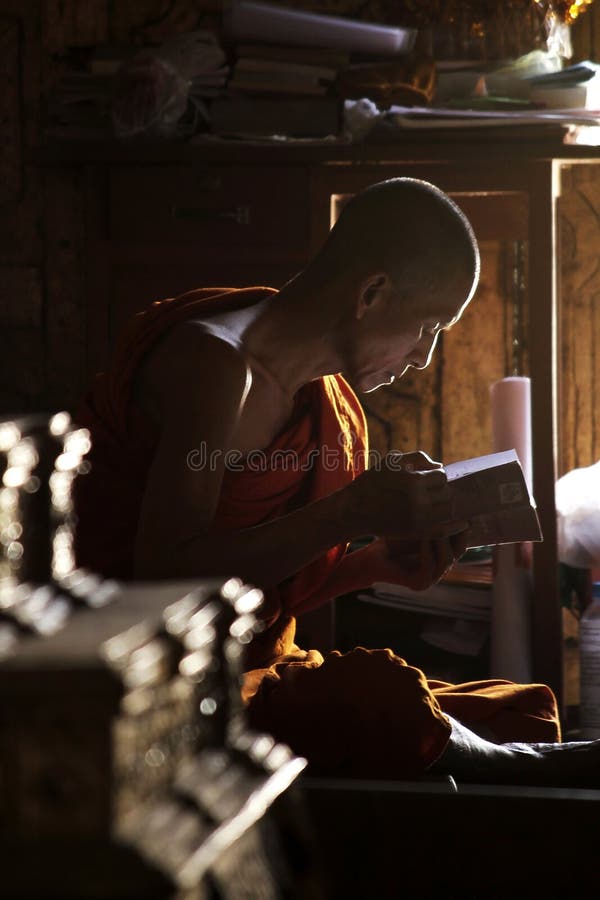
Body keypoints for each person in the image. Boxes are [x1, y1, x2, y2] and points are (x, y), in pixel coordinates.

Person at [73, 177, 600, 787]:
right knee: (389, 701)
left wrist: (373, 566)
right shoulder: (214, 367)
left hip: (251, 662)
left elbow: (262, 596)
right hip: (149, 669)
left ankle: (510, 754)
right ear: (372, 292)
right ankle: (521, 767)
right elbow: (165, 579)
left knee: (512, 707)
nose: (425, 358)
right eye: (428, 327)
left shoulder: (327, 401)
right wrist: (346, 515)